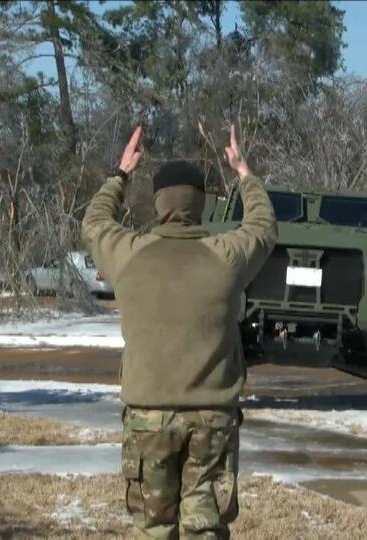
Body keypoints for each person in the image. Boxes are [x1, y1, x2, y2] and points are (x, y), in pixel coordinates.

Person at [81, 125, 277, 539]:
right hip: (212, 418)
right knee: (204, 529)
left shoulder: (129, 255)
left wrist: (120, 174)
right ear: (201, 204)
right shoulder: (225, 256)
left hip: (147, 419)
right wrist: (244, 173)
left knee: (152, 529)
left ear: (158, 202)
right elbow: (263, 226)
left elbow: (95, 222)